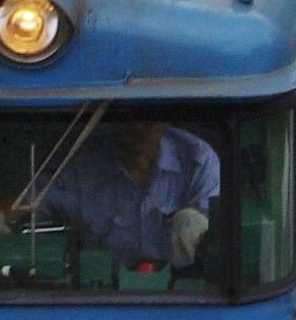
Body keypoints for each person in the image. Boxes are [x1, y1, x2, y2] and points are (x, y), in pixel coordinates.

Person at [17, 116, 222, 272]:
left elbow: (217, 232)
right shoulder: (82, 165)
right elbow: (26, 205)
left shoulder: (196, 158)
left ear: (163, 121)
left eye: (147, 120)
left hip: (189, 299)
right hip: (101, 295)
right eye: (129, 120)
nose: (137, 130)